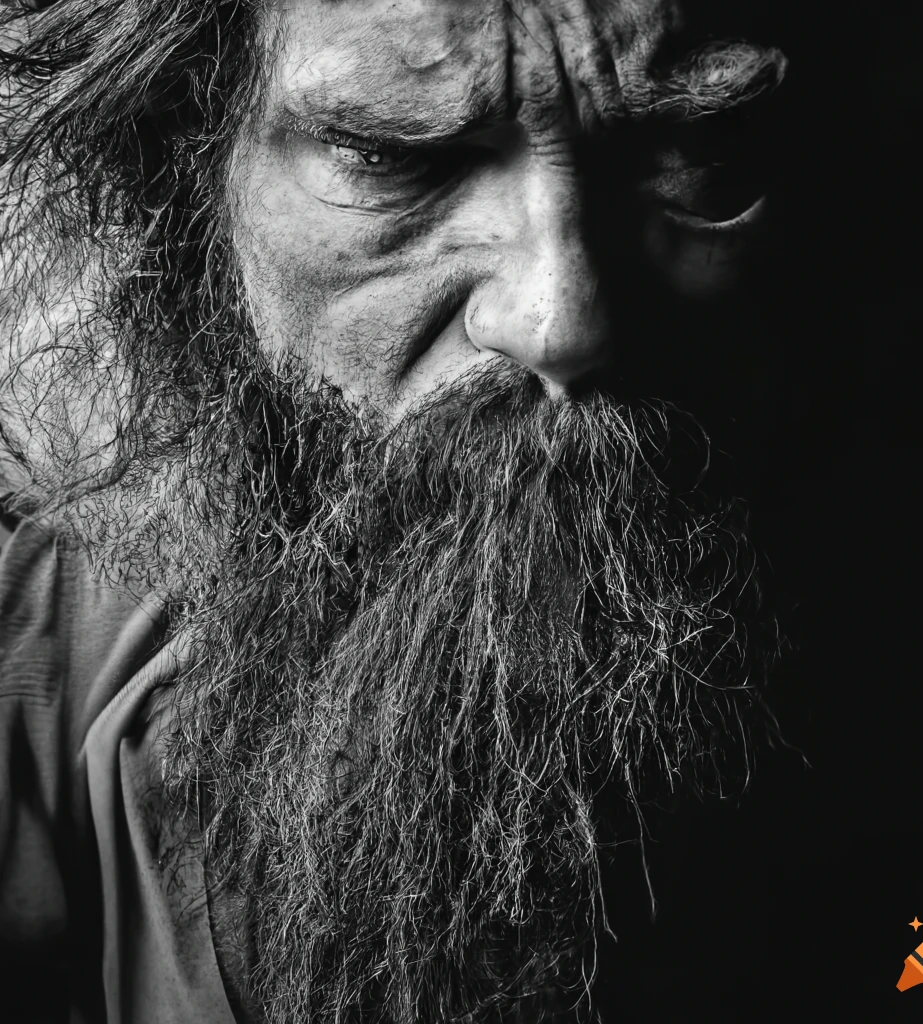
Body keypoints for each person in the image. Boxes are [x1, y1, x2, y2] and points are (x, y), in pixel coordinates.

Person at [1, 1, 801, 1021]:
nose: (562, 320)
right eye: (394, 158)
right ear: (184, 170)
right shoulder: (38, 651)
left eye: (696, 141)